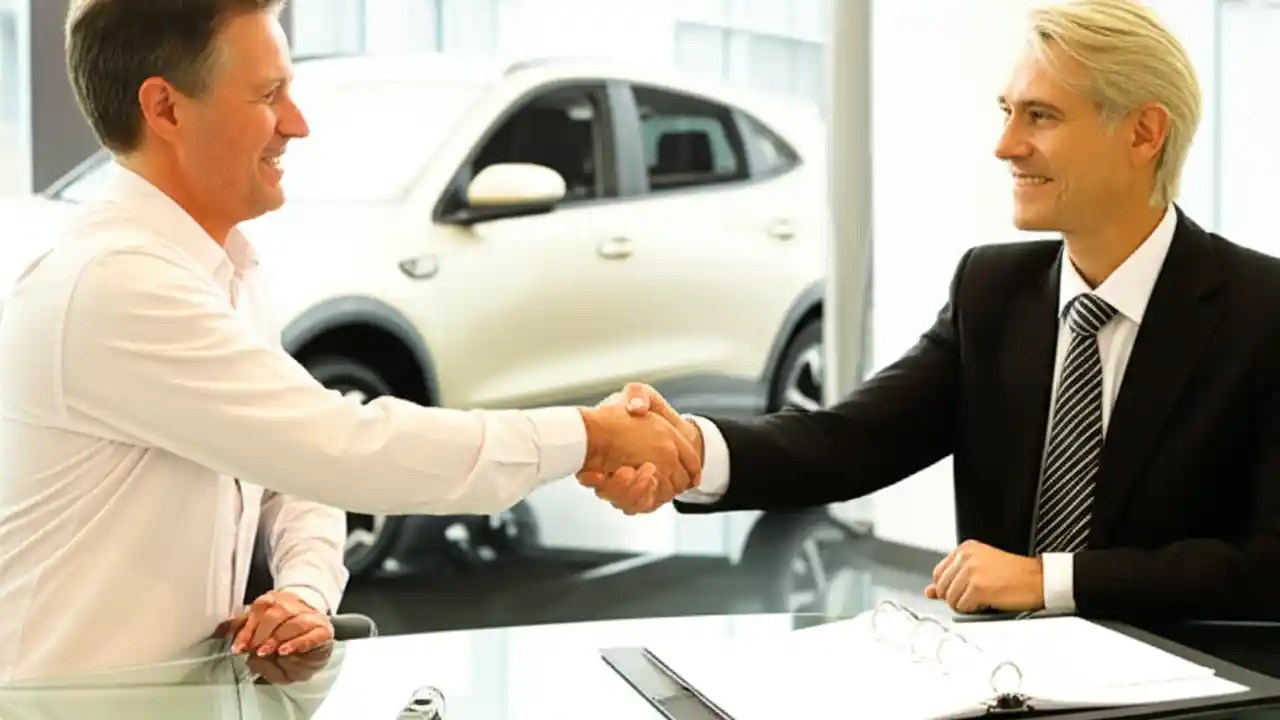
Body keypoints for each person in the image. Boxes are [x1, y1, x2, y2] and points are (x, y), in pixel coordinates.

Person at [0, 0, 695, 681]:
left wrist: (303, 592)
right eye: (269, 95)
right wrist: (590, 437)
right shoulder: (117, 284)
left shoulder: (223, 269)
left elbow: (291, 472)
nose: (296, 125)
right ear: (166, 109)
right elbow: (344, 447)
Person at [583, 0, 1280, 622]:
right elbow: (851, 440)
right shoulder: (992, 290)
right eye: (1007, 111)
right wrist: (691, 452)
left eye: (1040, 116)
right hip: (1007, 683)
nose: (1005, 145)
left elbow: (1270, 567)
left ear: (1142, 133)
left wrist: (1049, 581)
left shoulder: (1262, 310)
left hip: (1196, 687)